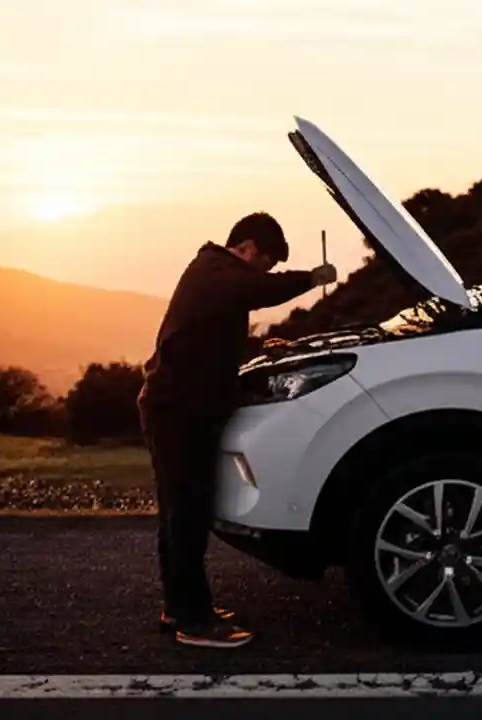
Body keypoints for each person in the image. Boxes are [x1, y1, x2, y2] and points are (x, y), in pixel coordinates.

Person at [137, 211, 337, 648]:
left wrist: (255, 346)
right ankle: (194, 621)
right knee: (186, 513)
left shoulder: (214, 275)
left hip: (177, 408)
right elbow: (255, 289)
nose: (262, 272)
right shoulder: (215, 271)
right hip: (177, 411)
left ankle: (180, 607)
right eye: (263, 262)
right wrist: (311, 277)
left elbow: (210, 333)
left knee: (179, 513)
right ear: (246, 248)